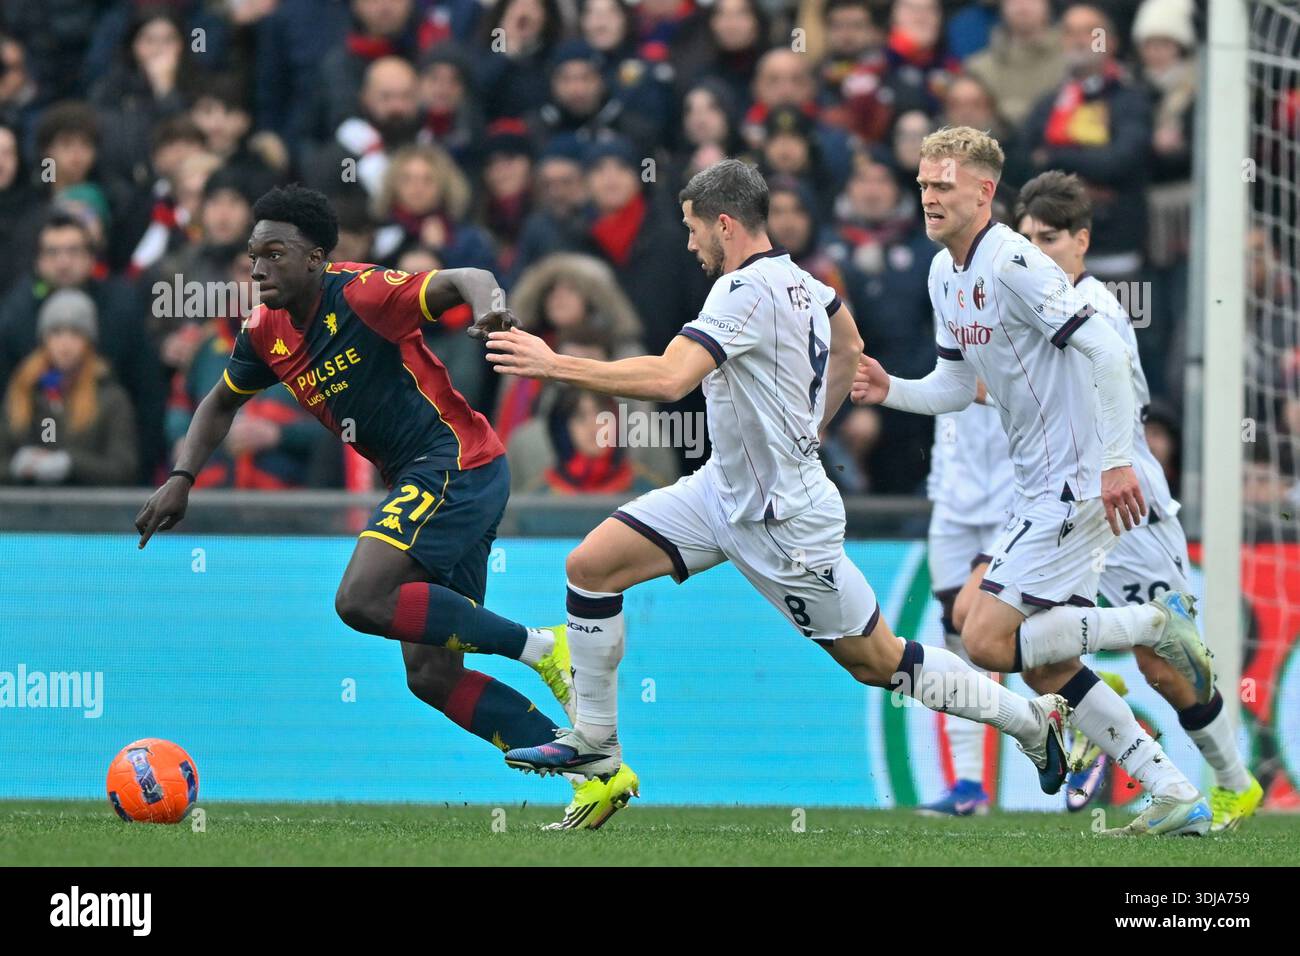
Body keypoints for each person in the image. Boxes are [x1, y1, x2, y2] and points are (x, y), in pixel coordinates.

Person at [485, 159, 1075, 803]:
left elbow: (668, 380)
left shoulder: (745, 291)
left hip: (784, 520)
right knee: (590, 567)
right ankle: (596, 740)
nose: (689, 244)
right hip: (719, 491)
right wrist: (812, 428)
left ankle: (1029, 719)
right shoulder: (809, 284)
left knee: (875, 661)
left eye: (693, 229)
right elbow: (849, 347)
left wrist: (551, 363)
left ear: (725, 224)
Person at [133, 183, 636, 830]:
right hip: (432, 475)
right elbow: (220, 402)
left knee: (359, 600)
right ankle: (597, 774)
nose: (258, 268)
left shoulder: (365, 293)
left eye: (274, 254)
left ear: (315, 257)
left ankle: (545, 646)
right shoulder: (265, 332)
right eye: (253, 255)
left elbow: (469, 276)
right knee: (430, 675)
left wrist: (492, 309)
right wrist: (182, 476)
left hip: (455, 460)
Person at [851, 127, 1212, 836]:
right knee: (1047, 668)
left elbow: (1106, 350)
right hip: (1039, 485)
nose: (928, 196)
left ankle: (1151, 624)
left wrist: (1113, 463)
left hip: (1072, 484)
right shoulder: (942, 272)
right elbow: (957, 386)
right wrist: (889, 387)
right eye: (923, 184)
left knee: (981, 639)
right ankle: (1173, 791)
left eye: (943, 185)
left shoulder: (1013, 260)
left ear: (985, 192)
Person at [996, 170, 1260, 830]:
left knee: (1167, 665)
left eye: (1049, 238)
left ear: (1082, 241)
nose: (1036, 251)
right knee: (1026, 650)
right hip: (1058, 509)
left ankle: (1231, 781)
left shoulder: (1098, 310)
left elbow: (1104, 398)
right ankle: (1102, 709)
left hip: (1125, 509)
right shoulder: (1032, 312)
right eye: (1025, 240)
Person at [1, 289, 137, 486]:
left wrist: (71, 463)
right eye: (56, 332)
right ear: (44, 339)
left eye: (75, 333)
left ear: (88, 341)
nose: (65, 344)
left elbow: (124, 468)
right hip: (26, 512)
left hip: (88, 512)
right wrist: (16, 466)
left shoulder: (111, 398)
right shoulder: (22, 390)